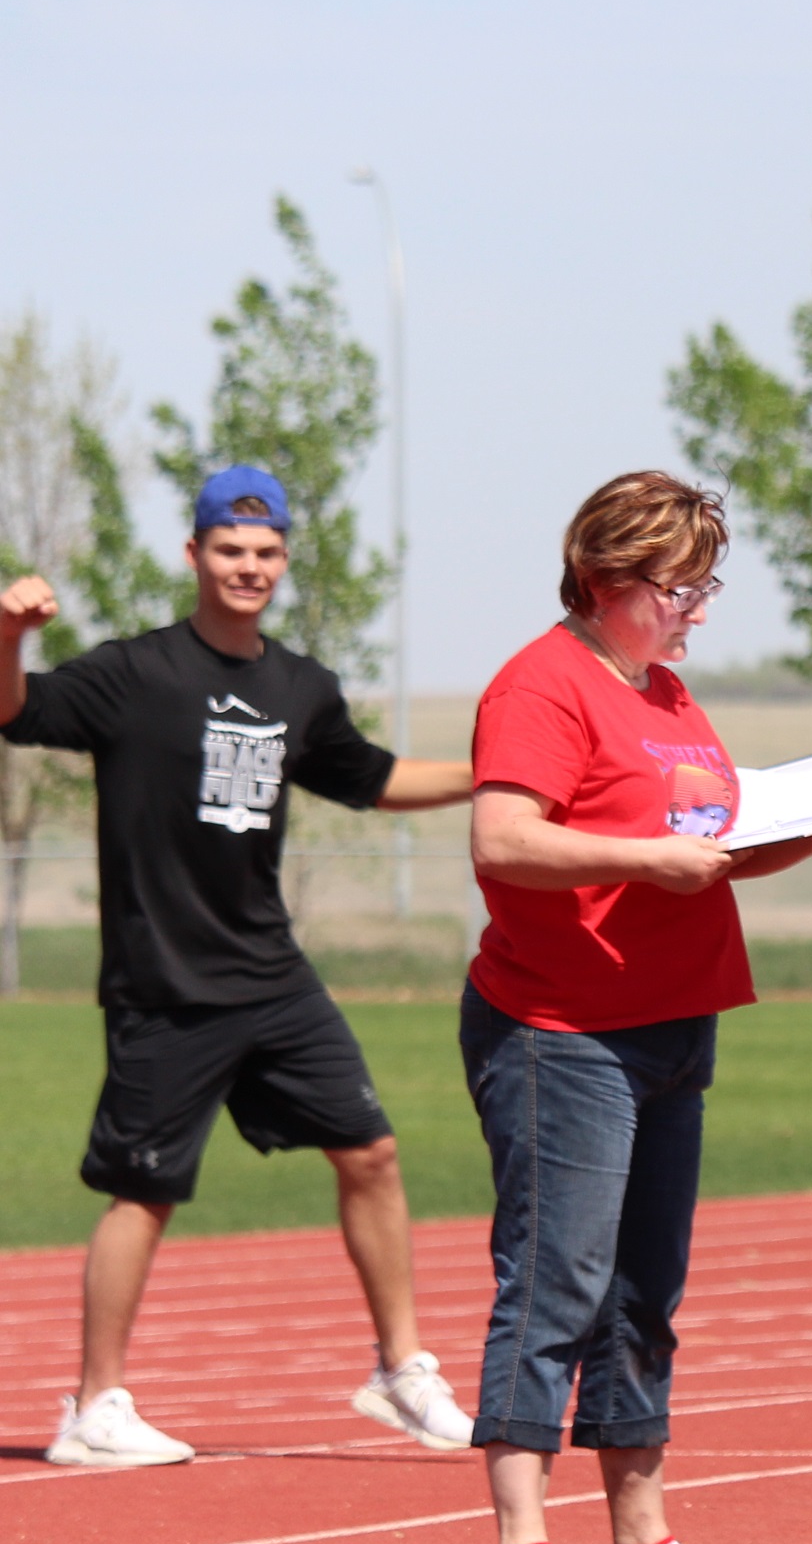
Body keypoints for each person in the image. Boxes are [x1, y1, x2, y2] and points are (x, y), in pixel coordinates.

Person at [462, 472, 812, 1544]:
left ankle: (642, 1538)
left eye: (706, 583)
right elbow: (506, 839)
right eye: (679, 585)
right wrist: (638, 858)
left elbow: (714, 846)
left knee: (644, 1290)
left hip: (673, 1019)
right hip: (562, 1029)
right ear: (606, 579)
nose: (697, 608)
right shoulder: (540, 685)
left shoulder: (666, 695)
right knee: (552, 1277)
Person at [0, 467, 478, 1469]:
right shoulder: (133, 674)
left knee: (372, 1151)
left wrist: (501, 773)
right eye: (229, 549)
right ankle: (94, 1408)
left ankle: (402, 1372)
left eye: (265, 552)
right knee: (144, 1190)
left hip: (270, 973)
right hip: (164, 984)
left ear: (284, 560)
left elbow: (377, 778)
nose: (248, 566)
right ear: (196, 555)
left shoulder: (301, 688)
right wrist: (9, 635)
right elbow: (15, 711)